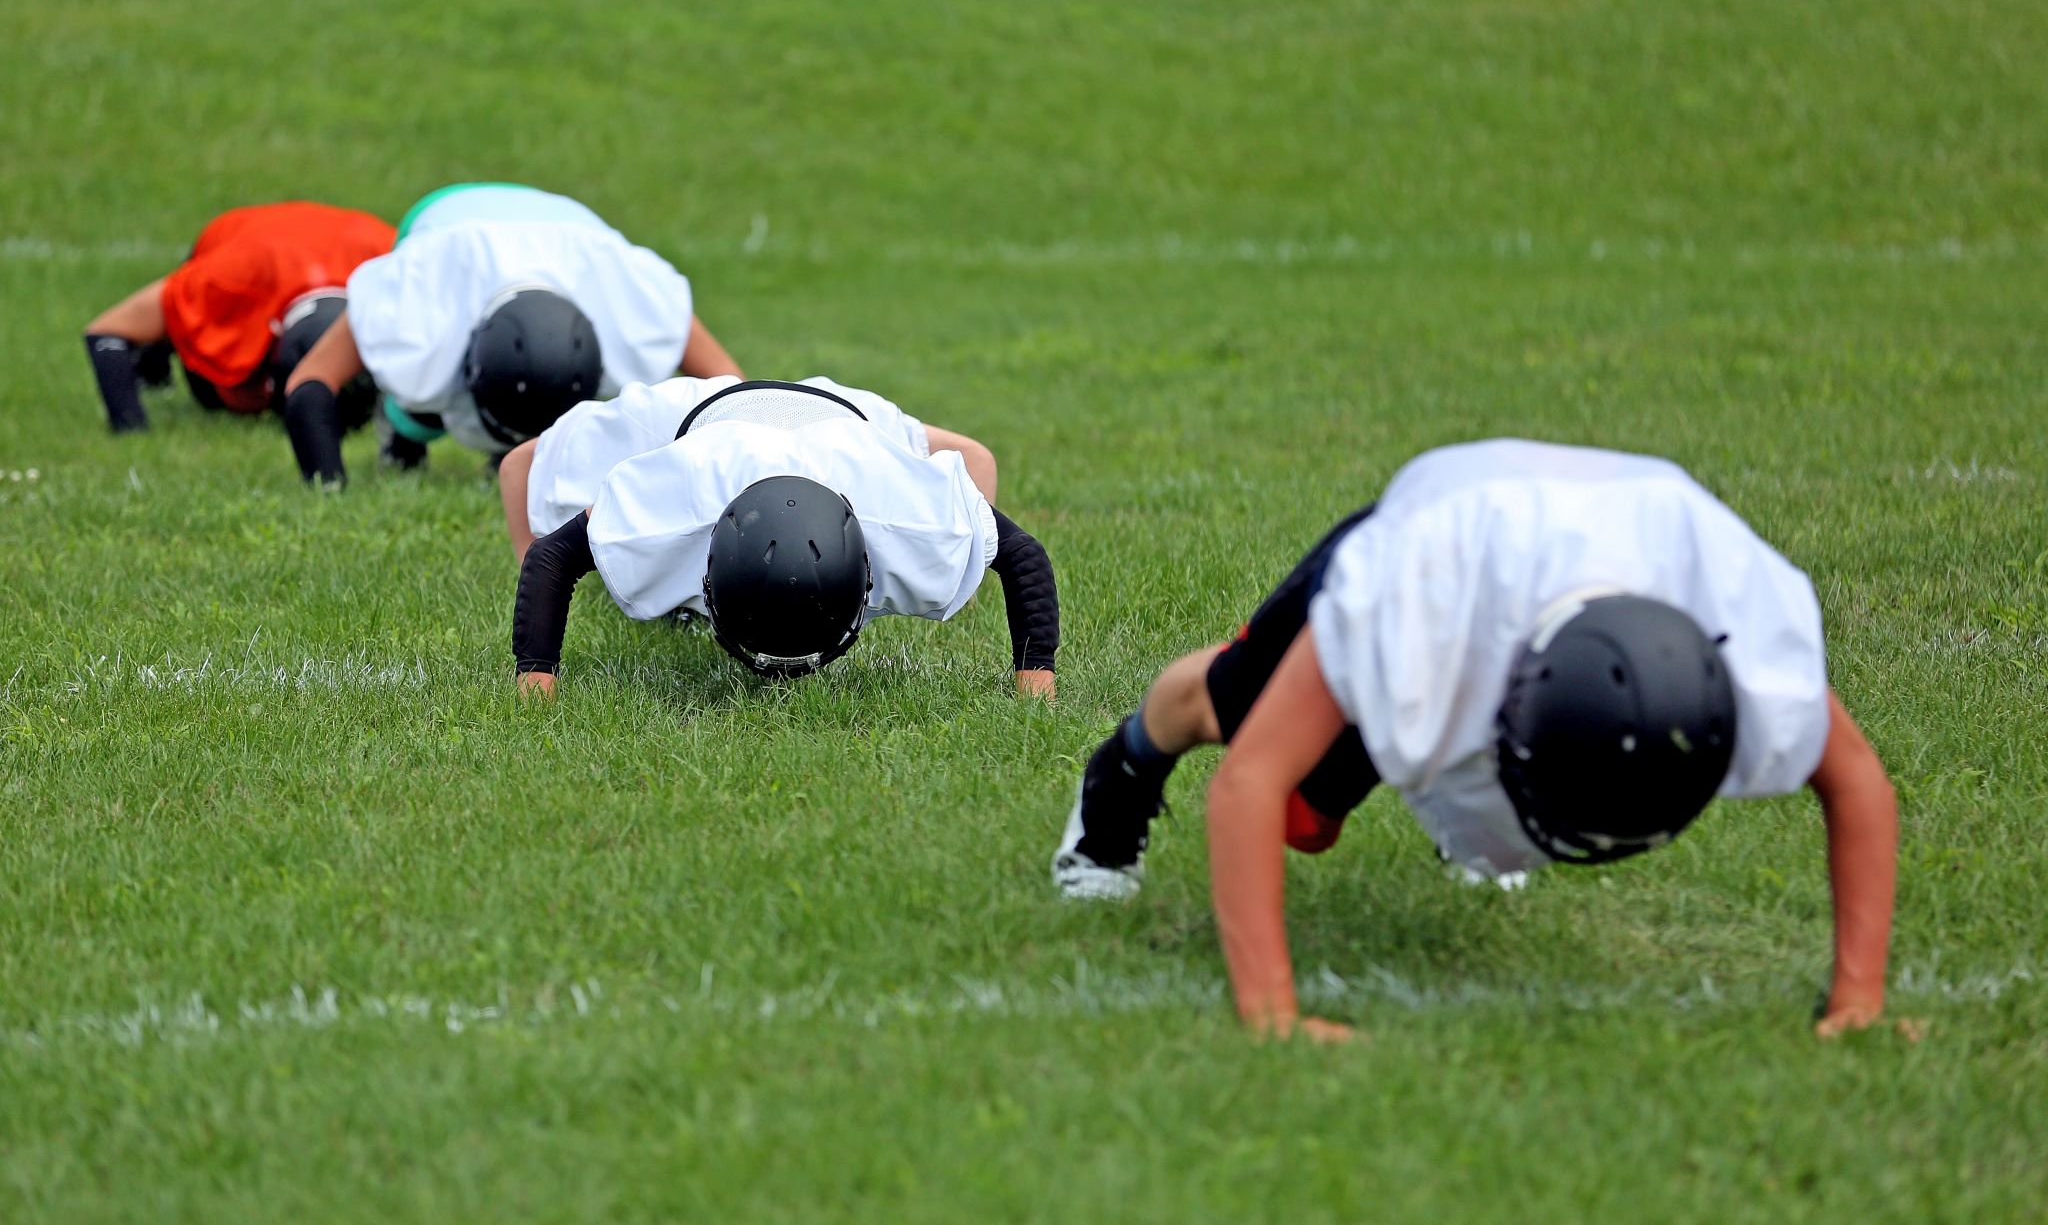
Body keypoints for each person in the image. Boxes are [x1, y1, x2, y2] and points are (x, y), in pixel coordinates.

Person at [1050, 439, 1897, 1043]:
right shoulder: (1412, 591)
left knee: (1429, 833)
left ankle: (1469, 833)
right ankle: (1113, 785)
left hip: (1537, 561)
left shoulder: (1726, 607)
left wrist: (1860, 996)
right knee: (1274, 780)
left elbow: (1855, 779)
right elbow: (1246, 784)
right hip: (1446, 528)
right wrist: (1271, 1012)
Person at [505, 376, 1055, 697]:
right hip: (698, 414)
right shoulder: (675, 495)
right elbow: (549, 551)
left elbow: (1022, 556)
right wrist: (535, 683)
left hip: (852, 420)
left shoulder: (902, 509)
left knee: (975, 463)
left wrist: (1036, 687)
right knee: (530, 465)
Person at [281, 183, 741, 486]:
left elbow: (732, 396)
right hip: (449, 213)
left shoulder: (628, 295)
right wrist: (328, 489)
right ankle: (405, 437)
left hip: (573, 225)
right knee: (417, 368)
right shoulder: (423, 285)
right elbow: (310, 384)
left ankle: (513, 448)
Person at [81, 201, 395, 432]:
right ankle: (153, 364)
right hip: (244, 245)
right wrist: (131, 426)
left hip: (330, 244)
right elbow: (107, 330)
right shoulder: (231, 279)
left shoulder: (396, 263)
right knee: (214, 386)